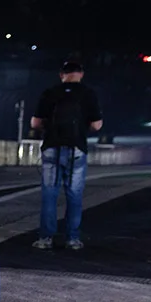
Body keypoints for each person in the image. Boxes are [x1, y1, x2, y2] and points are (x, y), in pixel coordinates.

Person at [30, 59, 103, 250]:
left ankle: (45, 238)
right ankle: (72, 239)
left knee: (49, 195)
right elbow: (97, 125)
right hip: (76, 148)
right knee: (75, 195)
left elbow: (35, 123)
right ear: (81, 74)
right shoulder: (88, 94)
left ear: (62, 74)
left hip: (52, 147)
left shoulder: (50, 93)